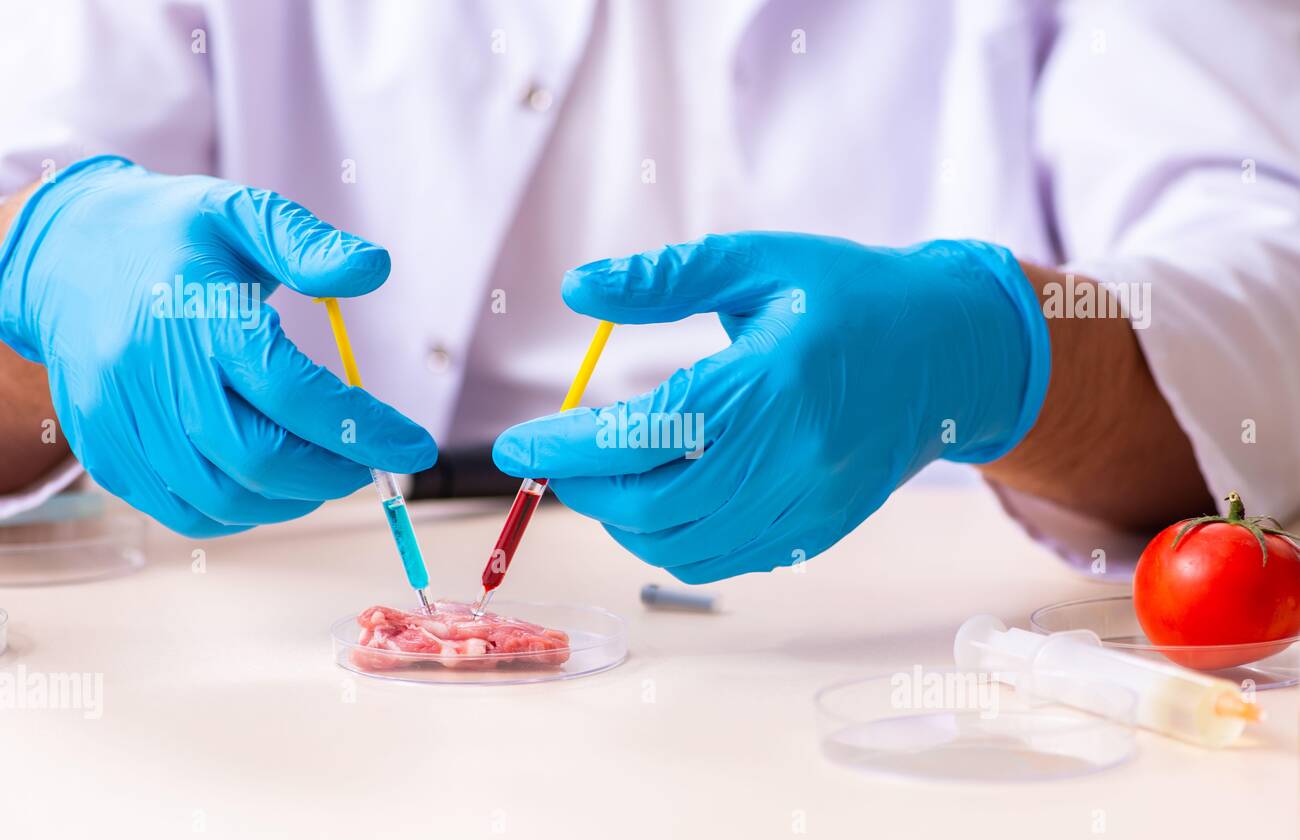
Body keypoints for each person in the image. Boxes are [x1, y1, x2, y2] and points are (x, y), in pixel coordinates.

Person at [1, 0, 1297, 582]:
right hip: (277, 631)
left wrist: (997, 352)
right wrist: (46, 255)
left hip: (896, 634)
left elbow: (1268, 272)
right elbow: (33, 196)